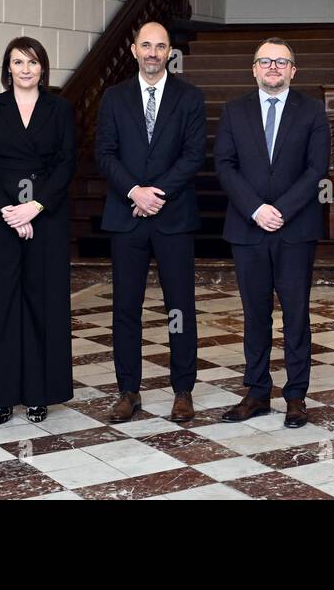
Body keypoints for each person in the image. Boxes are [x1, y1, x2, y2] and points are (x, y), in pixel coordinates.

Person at [214, 38, 329, 429]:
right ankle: (257, 391)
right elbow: (225, 166)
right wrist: (257, 209)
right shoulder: (234, 110)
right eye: (266, 61)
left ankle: (295, 395)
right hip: (248, 229)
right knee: (254, 314)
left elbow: (316, 169)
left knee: (296, 315)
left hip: (295, 230)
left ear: (294, 71)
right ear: (254, 69)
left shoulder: (312, 111)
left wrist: (281, 209)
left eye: (282, 62)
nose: (274, 67)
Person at [95, 21, 206, 424]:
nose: (153, 53)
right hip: (126, 218)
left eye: (161, 46)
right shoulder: (113, 97)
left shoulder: (190, 98)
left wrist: (155, 194)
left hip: (173, 217)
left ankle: (183, 390)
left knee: (179, 307)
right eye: (146, 45)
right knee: (126, 307)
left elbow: (194, 155)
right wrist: (134, 192)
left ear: (169, 52)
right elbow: (104, 153)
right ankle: (129, 390)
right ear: (134, 49)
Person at [0, 38, 76, 424]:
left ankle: (39, 392)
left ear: (42, 68)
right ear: (8, 68)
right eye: (18, 62)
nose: (26, 69)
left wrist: (34, 206)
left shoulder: (60, 109)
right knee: (1, 305)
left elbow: (67, 163)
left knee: (42, 303)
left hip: (46, 216)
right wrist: (9, 210)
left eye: (32, 62)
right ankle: (0, 395)